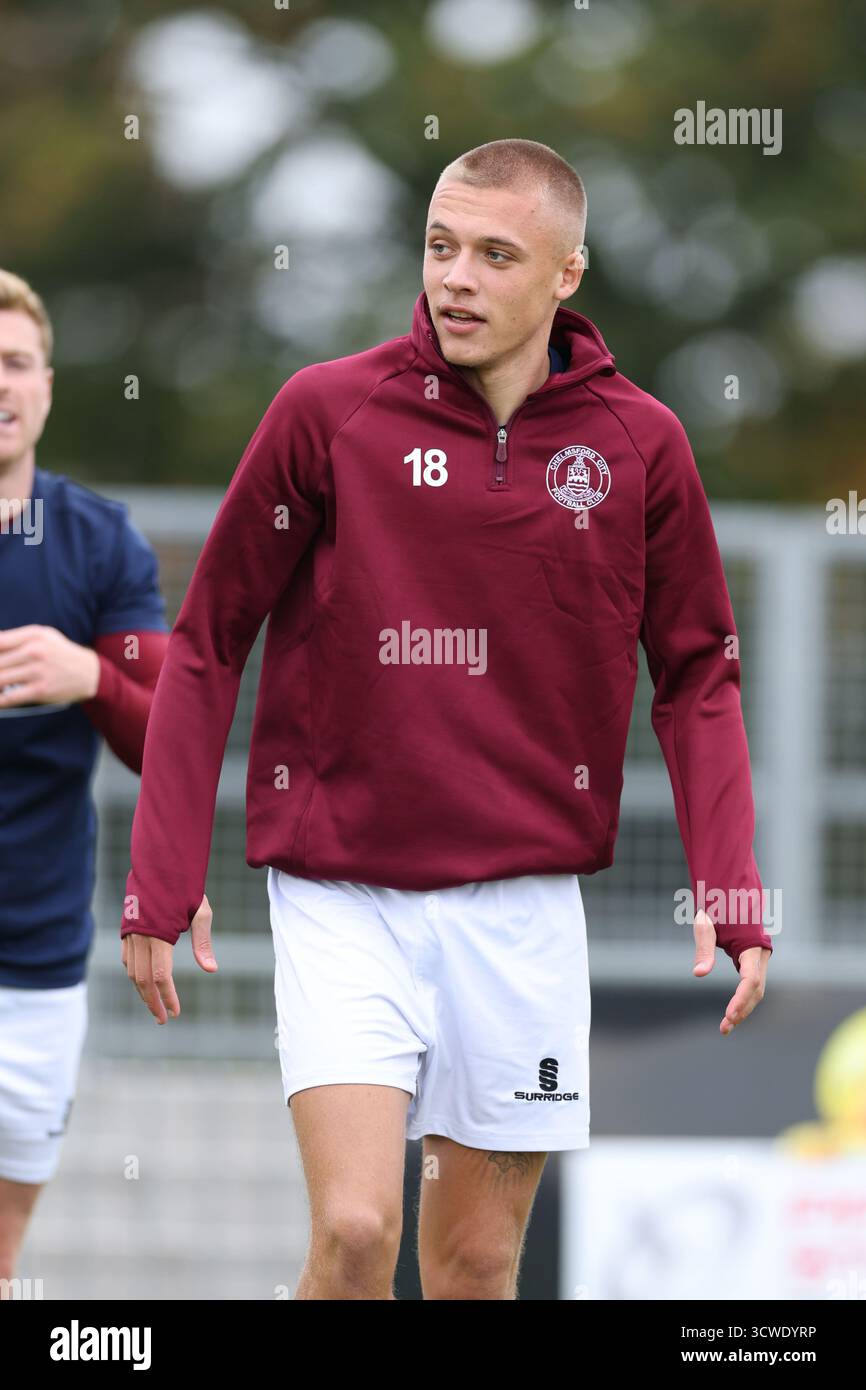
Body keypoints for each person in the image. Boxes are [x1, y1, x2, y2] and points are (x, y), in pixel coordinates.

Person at [119, 138, 773, 1301]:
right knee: (361, 1228)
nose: (453, 277)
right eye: (437, 246)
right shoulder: (327, 411)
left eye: (492, 253)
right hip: (339, 894)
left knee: (472, 1264)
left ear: (566, 274)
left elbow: (696, 676)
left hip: (521, 908)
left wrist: (729, 886)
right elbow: (209, 643)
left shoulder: (640, 445)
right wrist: (159, 874)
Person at [0, 269, 170, 1291]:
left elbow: (169, 738)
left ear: (48, 385)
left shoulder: (98, 539)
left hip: (33, 956)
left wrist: (90, 675)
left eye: (13, 362)